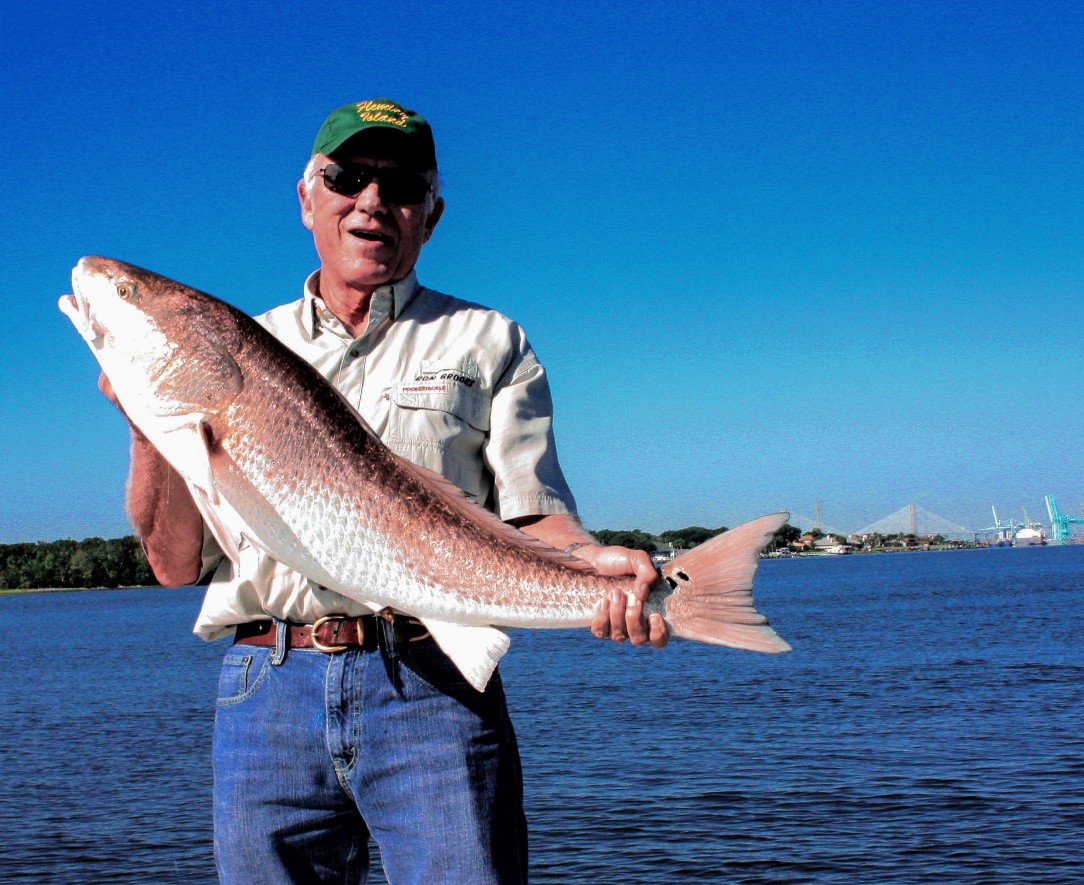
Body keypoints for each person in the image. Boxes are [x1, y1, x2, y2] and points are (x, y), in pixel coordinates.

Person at [102, 97, 667, 884]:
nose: (371, 200)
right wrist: (145, 419)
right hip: (266, 688)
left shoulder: (489, 341)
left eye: (399, 185)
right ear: (307, 198)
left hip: (432, 685)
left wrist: (595, 567)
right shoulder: (236, 347)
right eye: (347, 176)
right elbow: (172, 563)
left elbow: (534, 514)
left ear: (430, 214)